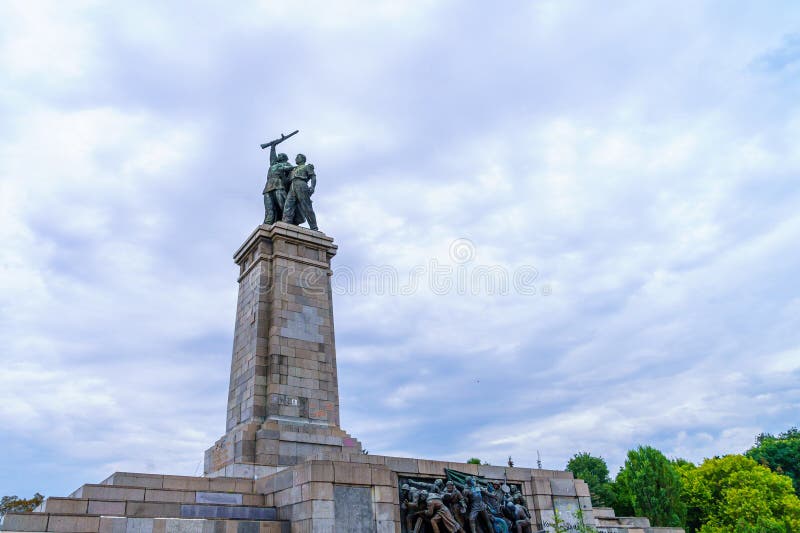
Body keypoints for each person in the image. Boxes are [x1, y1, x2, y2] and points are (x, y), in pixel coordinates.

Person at [282, 153, 318, 230]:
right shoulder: (293, 169)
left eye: (298, 157)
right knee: (288, 205)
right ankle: (286, 223)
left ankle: (314, 226)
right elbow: (287, 180)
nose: (296, 159)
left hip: (301, 184)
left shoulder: (307, 166)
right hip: (292, 186)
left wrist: (312, 187)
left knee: (306, 206)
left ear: (303, 159)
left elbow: (313, 177)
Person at [263, 145, 295, 224]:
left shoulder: (286, 164)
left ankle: (287, 220)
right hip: (268, 185)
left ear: (284, 158)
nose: (278, 156)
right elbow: (272, 156)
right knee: (269, 205)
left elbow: (292, 169)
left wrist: (283, 169)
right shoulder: (273, 164)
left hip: (279, 184)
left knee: (282, 203)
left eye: (280, 155)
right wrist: (273, 147)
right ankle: (268, 221)